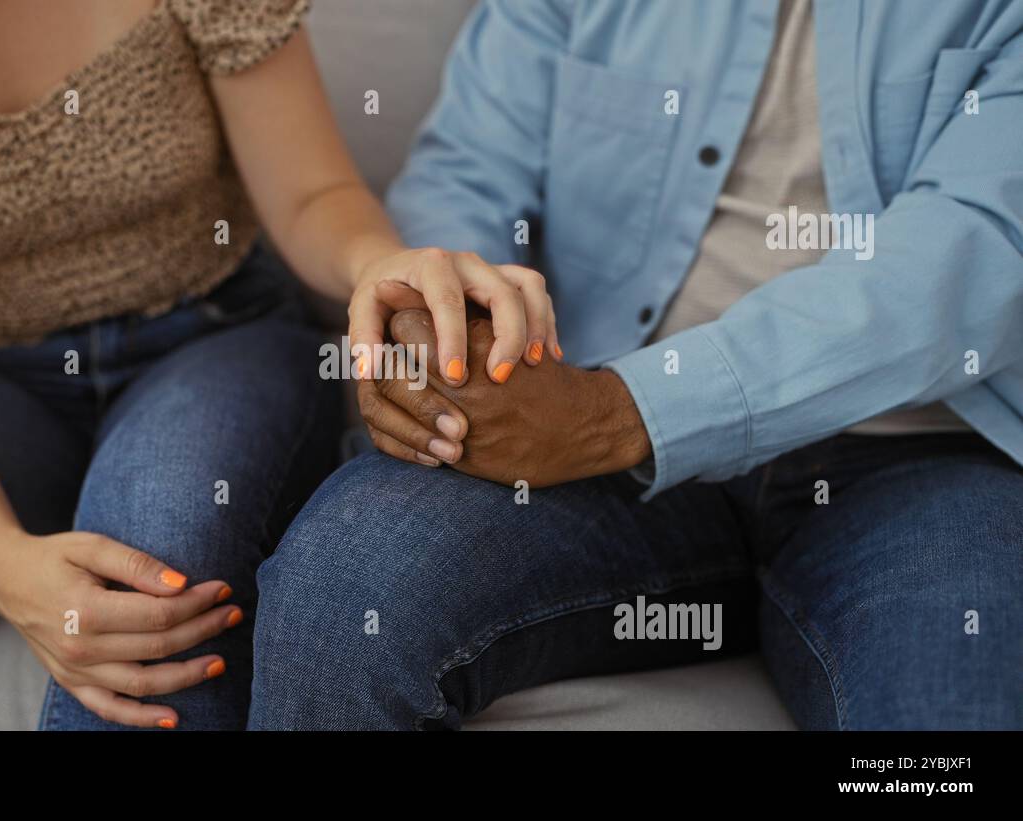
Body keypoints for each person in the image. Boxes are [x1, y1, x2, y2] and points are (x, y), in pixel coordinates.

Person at [0, 0, 553, 729]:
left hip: (216, 333)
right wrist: (0, 563)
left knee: (152, 603)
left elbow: (310, 197)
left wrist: (379, 263)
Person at [250, 0, 1023, 730]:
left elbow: (977, 248)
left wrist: (622, 413)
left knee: (953, 732)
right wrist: (453, 330)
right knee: (342, 592)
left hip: (915, 447)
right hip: (581, 421)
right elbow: (468, 175)